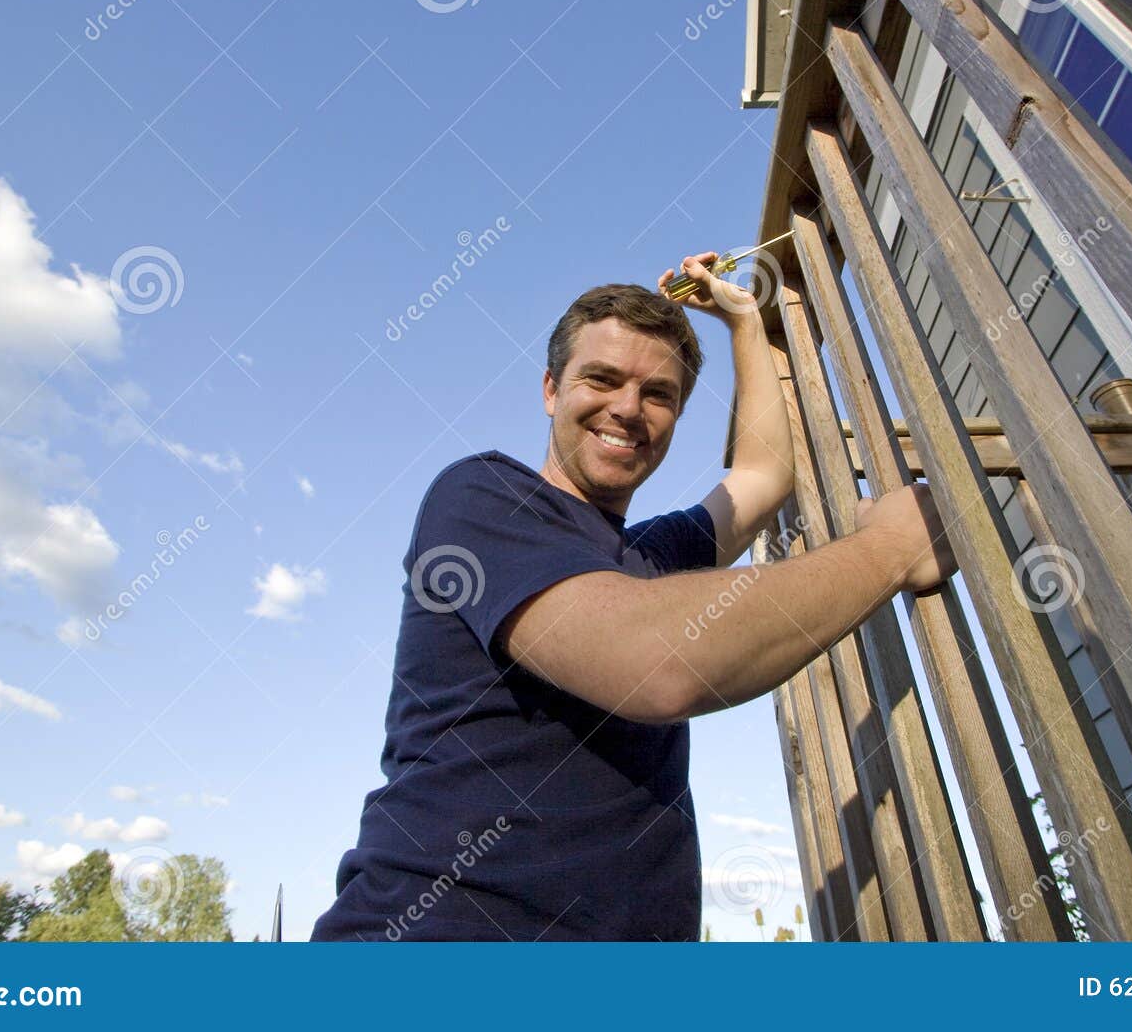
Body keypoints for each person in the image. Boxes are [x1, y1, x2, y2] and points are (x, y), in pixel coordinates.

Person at [311, 253, 957, 941]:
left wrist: (742, 319)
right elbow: (657, 663)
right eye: (602, 378)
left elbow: (764, 473)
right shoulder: (481, 498)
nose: (628, 407)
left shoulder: (651, 558)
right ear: (551, 389)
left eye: (659, 393)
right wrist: (890, 550)